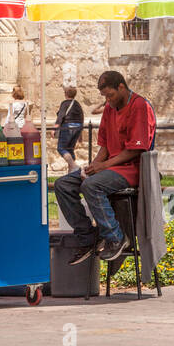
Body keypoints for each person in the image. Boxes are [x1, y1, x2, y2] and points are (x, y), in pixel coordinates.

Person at [55, 70, 156, 264]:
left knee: (91, 186)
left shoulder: (140, 106)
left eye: (110, 95)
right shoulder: (110, 108)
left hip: (132, 169)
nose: (107, 100)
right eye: (104, 97)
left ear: (121, 87)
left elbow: (136, 150)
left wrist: (103, 166)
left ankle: (116, 238)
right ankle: (87, 236)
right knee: (63, 184)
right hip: (110, 167)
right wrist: (93, 166)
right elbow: (105, 146)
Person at [54, 86, 85, 174]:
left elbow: (61, 115)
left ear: (66, 94)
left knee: (61, 148)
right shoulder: (77, 104)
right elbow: (81, 117)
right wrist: (80, 134)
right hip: (78, 127)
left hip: (68, 126)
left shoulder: (65, 103)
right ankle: (71, 172)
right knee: (70, 149)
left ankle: (74, 166)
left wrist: (55, 128)